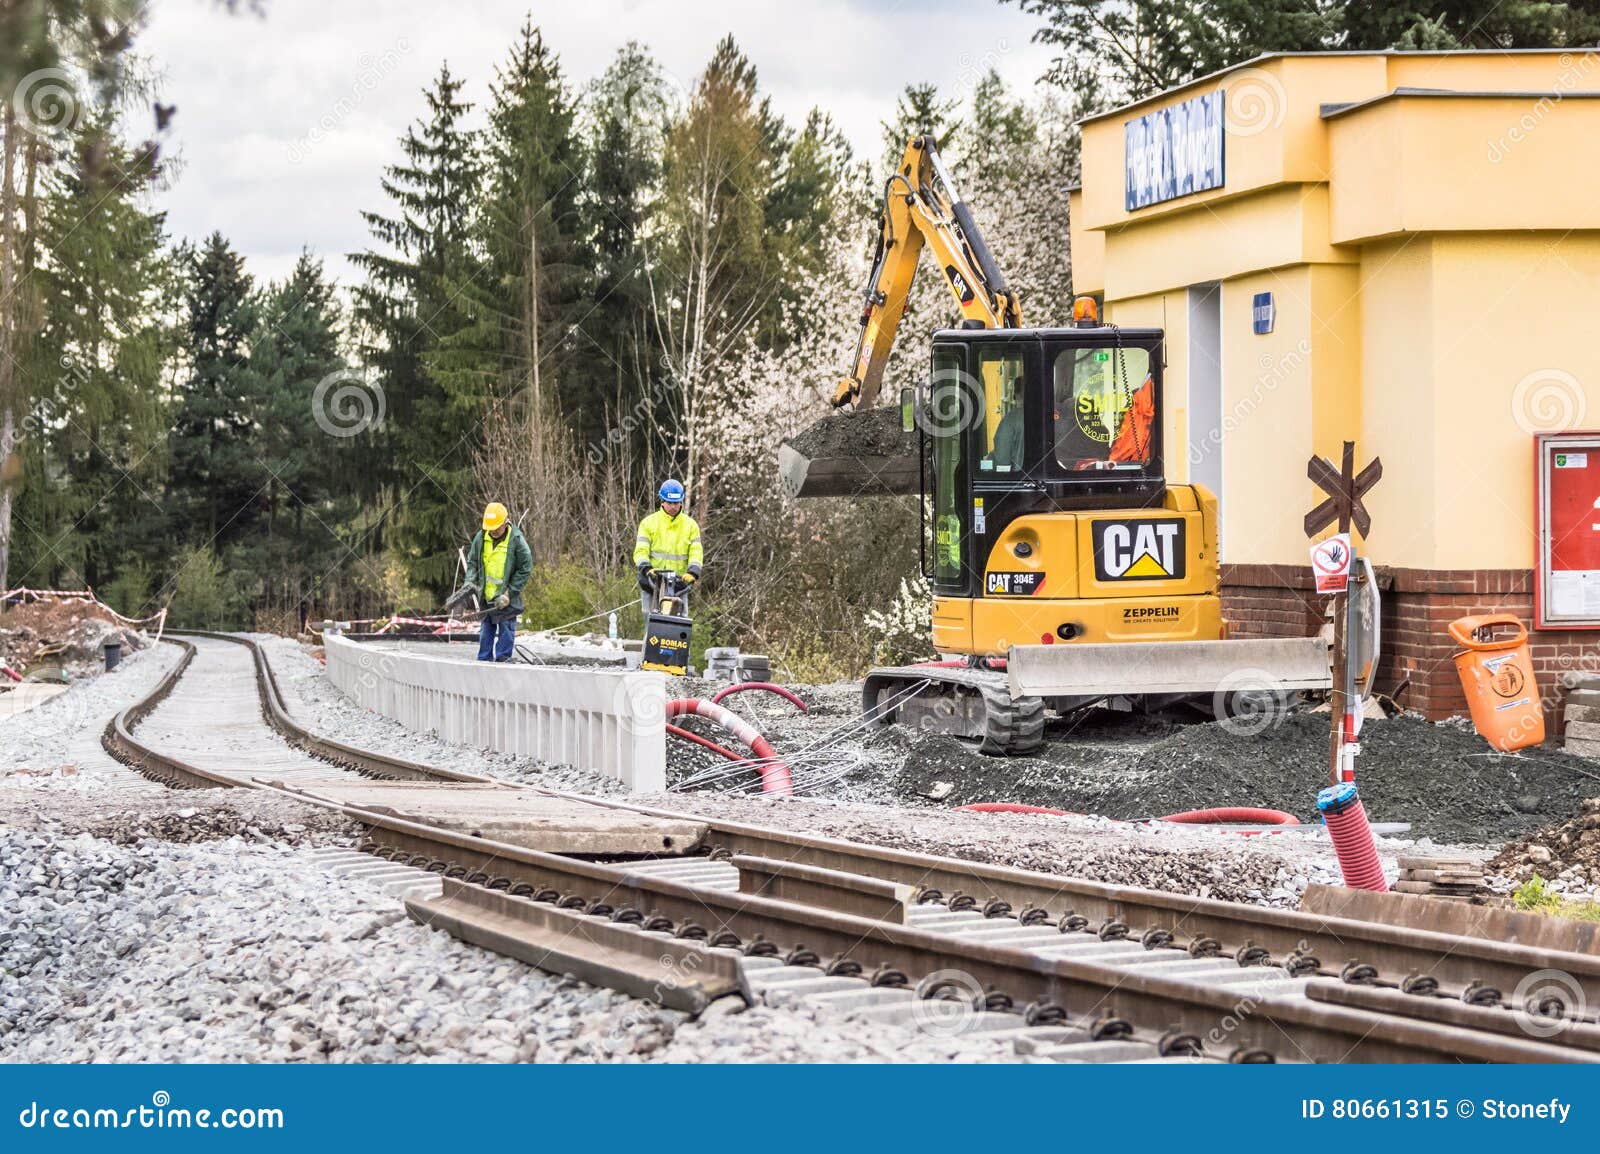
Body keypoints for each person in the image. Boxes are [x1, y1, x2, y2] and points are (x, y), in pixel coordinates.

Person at [464, 501, 531, 662]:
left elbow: (525, 568)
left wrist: (509, 593)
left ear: (505, 522)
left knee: (507, 630)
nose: (493, 531)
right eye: (490, 528)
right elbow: (472, 563)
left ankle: (503, 661)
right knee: (486, 631)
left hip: (507, 599)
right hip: (486, 597)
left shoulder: (516, 540)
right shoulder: (481, 538)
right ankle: (484, 661)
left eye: (496, 527)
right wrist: (469, 583)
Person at [633, 479, 702, 619]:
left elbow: (696, 552)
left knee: (680, 622)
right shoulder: (648, 523)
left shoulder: (691, 526)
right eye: (669, 503)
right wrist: (646, 568)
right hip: (652, 583)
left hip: (679, 585)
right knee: (651, 622)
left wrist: (693, 572)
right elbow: (641, 551)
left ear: (681, 502)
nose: (673, 507)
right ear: (662, 501)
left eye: (676, 503)